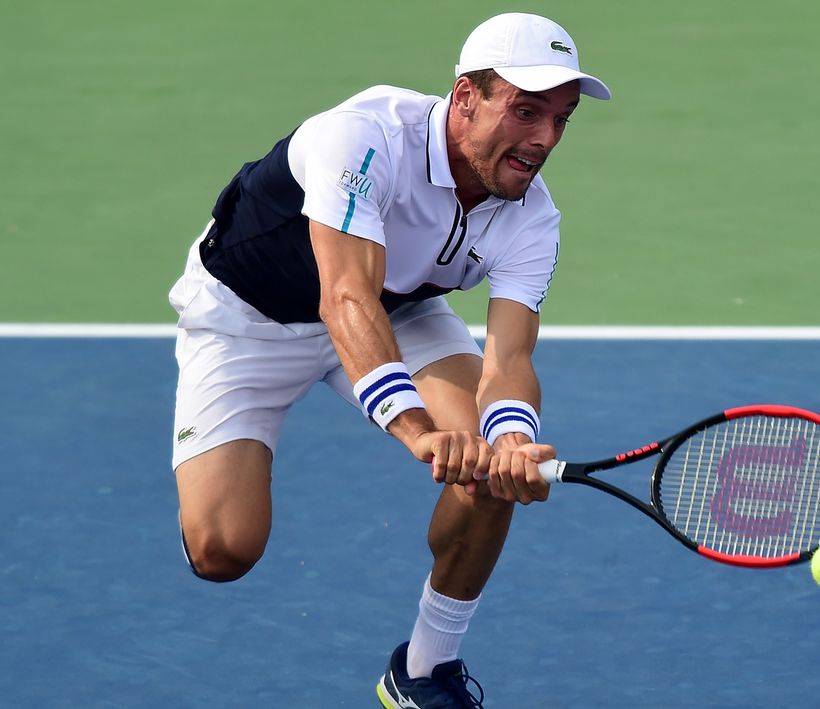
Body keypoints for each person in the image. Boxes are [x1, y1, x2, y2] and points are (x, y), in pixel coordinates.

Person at [166, 12, 610, 707]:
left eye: (561, 119)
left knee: (489, 470)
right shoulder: (363, 138)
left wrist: (511, 439)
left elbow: (510, 358)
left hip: (400, 313)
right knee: (223, 550)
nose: (544, 139)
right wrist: (416, 429)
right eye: (526, 111)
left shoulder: (533, 216)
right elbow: (344, 296)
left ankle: (423, 672)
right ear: (466, 97)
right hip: (245, 321)